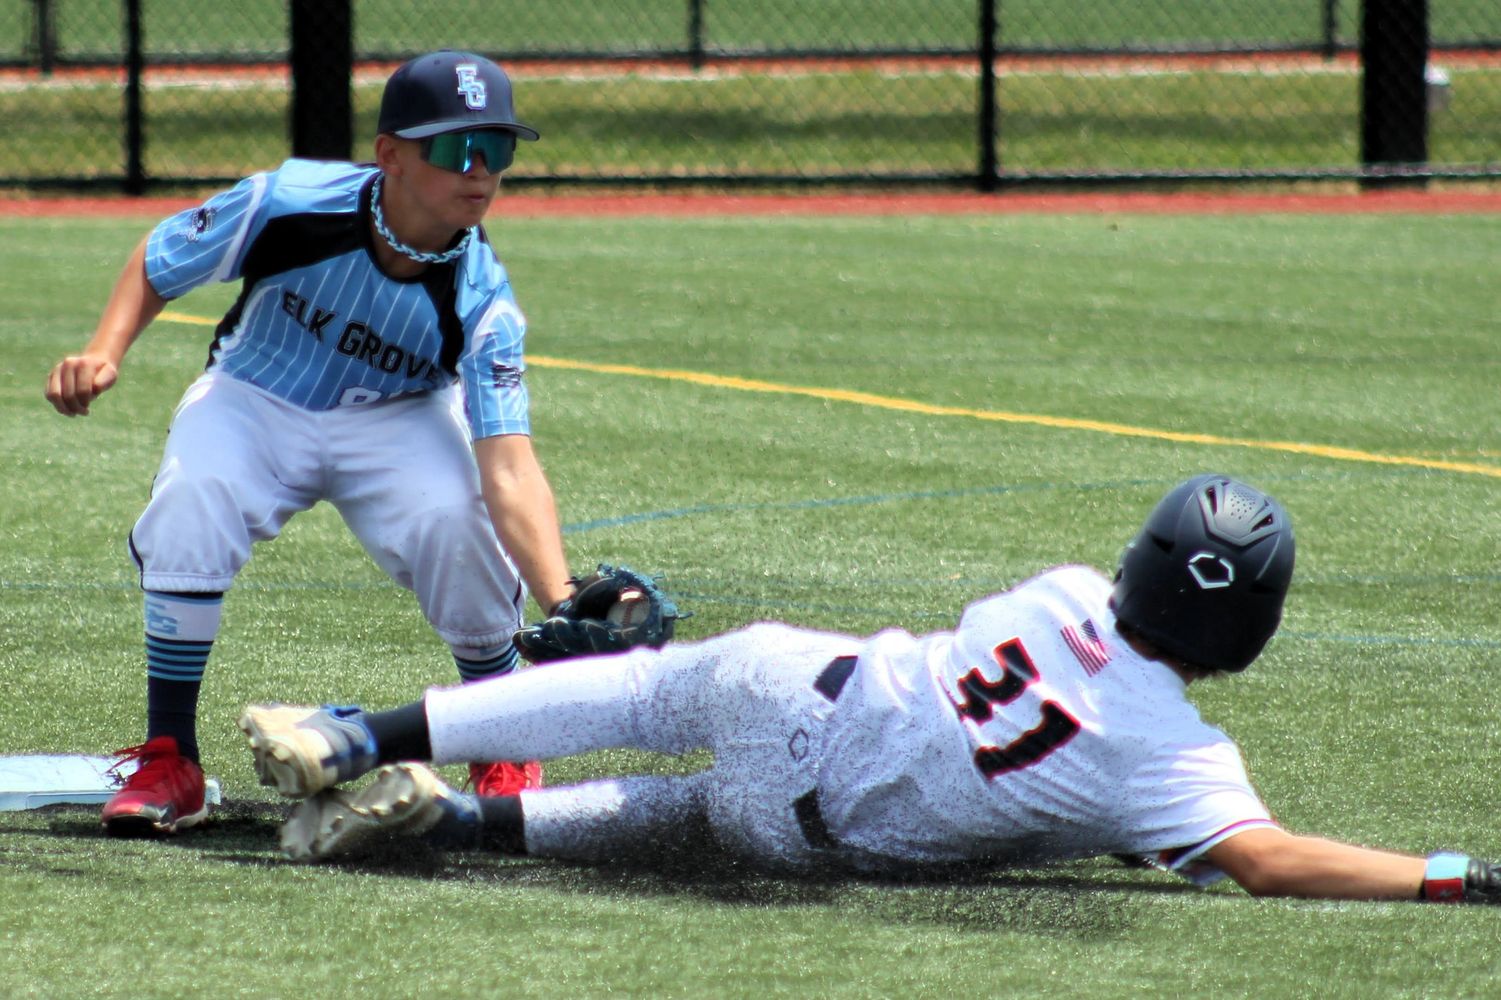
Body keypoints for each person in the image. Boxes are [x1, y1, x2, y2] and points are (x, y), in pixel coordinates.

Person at [238, 475, 1501, 904]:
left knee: (643, 685)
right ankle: (462, 823)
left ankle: (360, 729)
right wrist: (1453, 872)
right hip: (804, 821)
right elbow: (1268, 861)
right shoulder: (1170, 763)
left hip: (793, 669)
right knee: (685, 820)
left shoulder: (1059, 589)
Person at [44, 50, 573, 836]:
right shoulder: (286, 201)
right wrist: (106, 350)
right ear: (390, 154)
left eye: (497, 151)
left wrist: (562, 604)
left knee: (457, 523)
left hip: (396, 416)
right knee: (195, 496)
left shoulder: (482, 296)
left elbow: (509, 467)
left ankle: (499, 743)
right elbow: (161, 258)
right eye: (458, 149)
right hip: (256, 395)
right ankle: (169, 758)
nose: (481, 172)